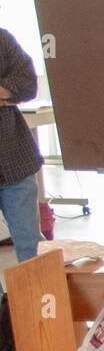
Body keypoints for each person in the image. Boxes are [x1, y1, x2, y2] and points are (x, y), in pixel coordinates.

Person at [0, 28, 45, 263]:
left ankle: (38, 299)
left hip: (13, 160)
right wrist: (5, 94)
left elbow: (28, 85)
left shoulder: (2, 39)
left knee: (30, 244)